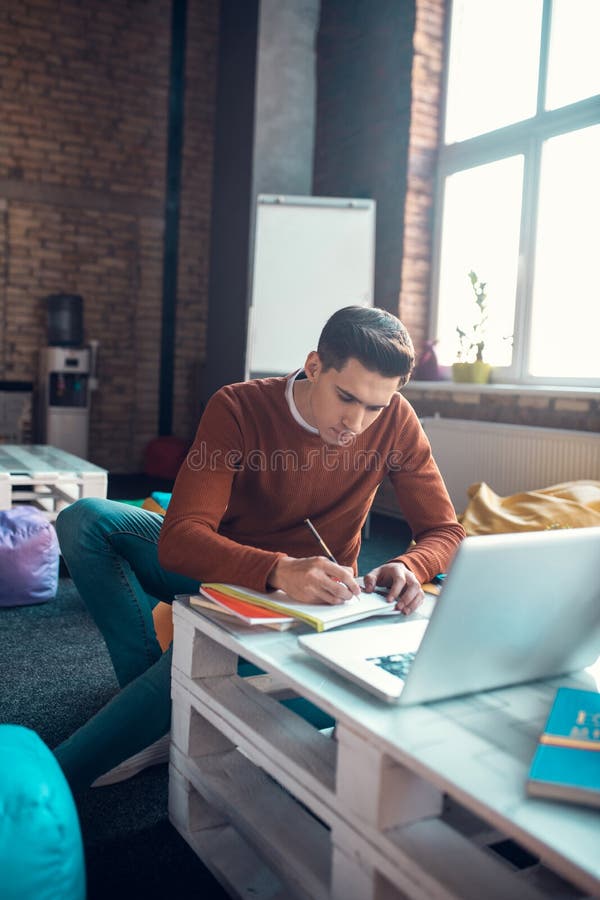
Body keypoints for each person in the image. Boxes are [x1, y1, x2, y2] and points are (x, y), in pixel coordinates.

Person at [54, 306, 465, 790]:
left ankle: (66, 768)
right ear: (314, 366)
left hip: (314, 599)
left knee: (198, 657)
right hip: (226, 564)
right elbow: (182, 538)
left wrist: (408, 565)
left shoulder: (396, 420)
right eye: (346, 397)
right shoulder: (238, 407)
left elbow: (446, 531)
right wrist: (278, 569)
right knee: (83, 521)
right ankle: (150, 710)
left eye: (374, 406)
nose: (357, 421)